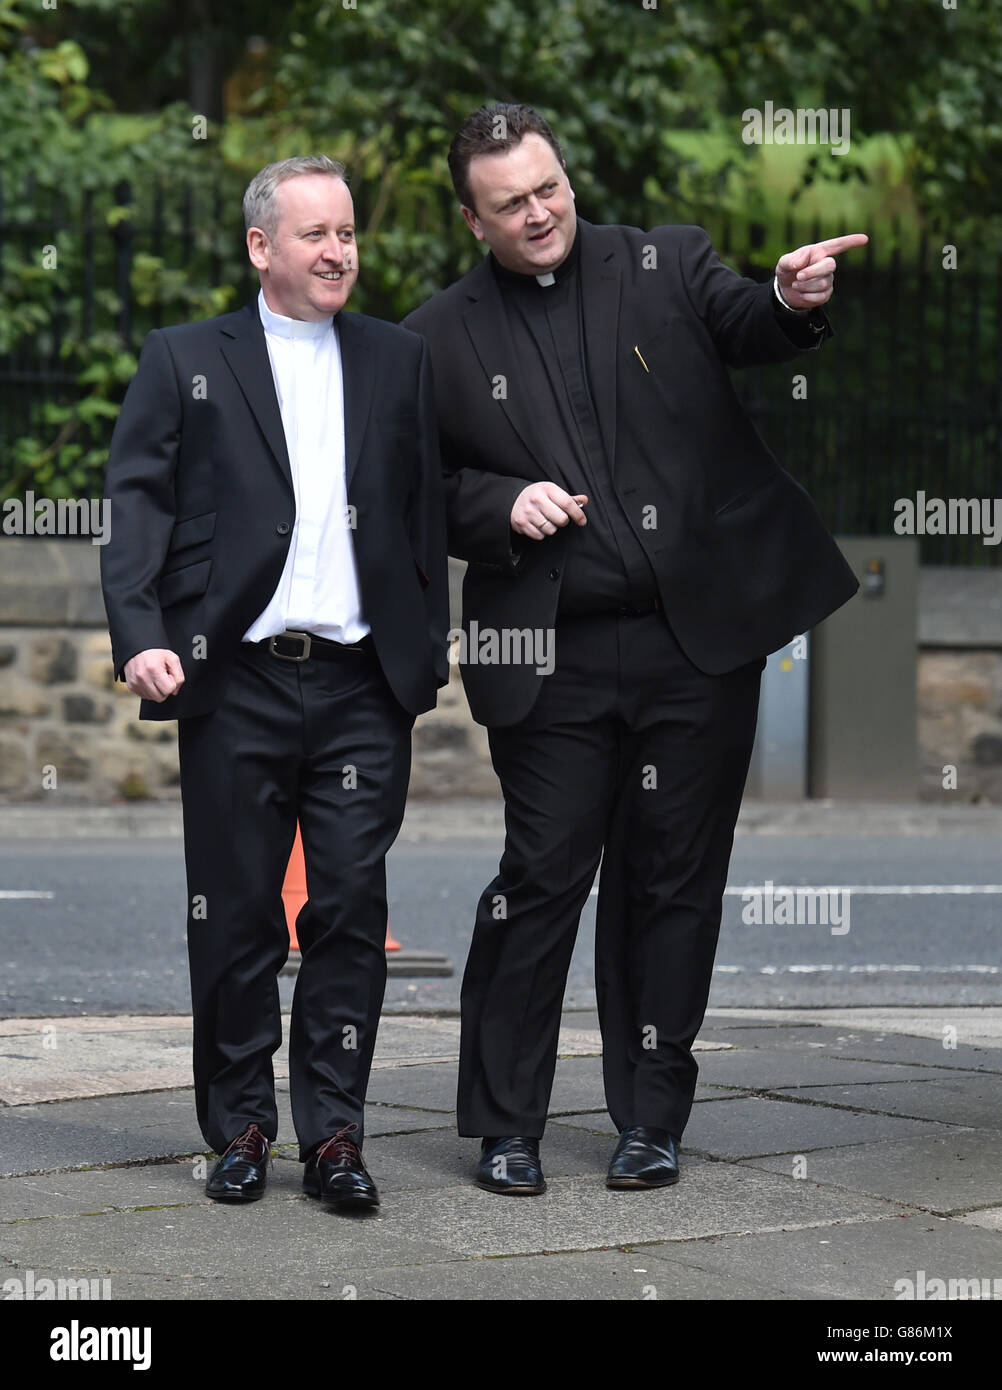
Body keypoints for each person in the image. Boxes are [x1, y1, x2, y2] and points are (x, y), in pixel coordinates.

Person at [404, 104, 863, 1195]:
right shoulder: (434, 336)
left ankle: (650, 1117)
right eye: (511, 203)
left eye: (549, 187)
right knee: (541, 875)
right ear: (474, 220)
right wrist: (496, 503)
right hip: (549, 654)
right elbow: (411, 488)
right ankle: (503, 1122)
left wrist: (790, 301)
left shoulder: (665, 262)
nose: (540, 212)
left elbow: (748, 322)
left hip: (694, 647)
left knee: (672, 883)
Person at [101, 155, 448, 1213]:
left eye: (348, 232)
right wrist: (140, 634)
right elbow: (138, 503)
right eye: (317, 234)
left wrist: (422, 650)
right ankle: (241, 1126)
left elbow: (425, 513)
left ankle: (335, 1136)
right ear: (263, 247)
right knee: (239, 916)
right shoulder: (183, 358)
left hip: (357, 685)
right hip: (236, 679)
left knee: (346, 910)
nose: (340, 250)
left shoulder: (398, 359)